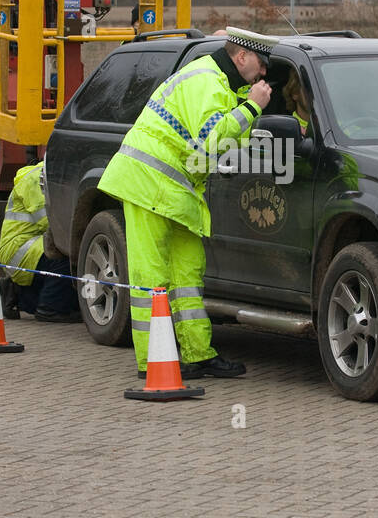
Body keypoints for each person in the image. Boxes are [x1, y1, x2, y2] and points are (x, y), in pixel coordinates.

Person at [98, 26, 274, 378]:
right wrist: (254, 105)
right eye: (262, 62)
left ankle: (197, 354)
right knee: (152, 277)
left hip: (174, 192)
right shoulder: (206, 81)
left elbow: (223, 139)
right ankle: (153, 363)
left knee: (187, 275)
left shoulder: (219, 85)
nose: (265, 71)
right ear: (241, 57)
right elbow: (211, 140)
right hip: (147, 187)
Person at [0, 160, 80, 322]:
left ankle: (18, 294)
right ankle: (50, 309)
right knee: (65, 254)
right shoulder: (37, 179)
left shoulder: (51, 176)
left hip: (28, 245)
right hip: (20, 248)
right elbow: (50, 221)